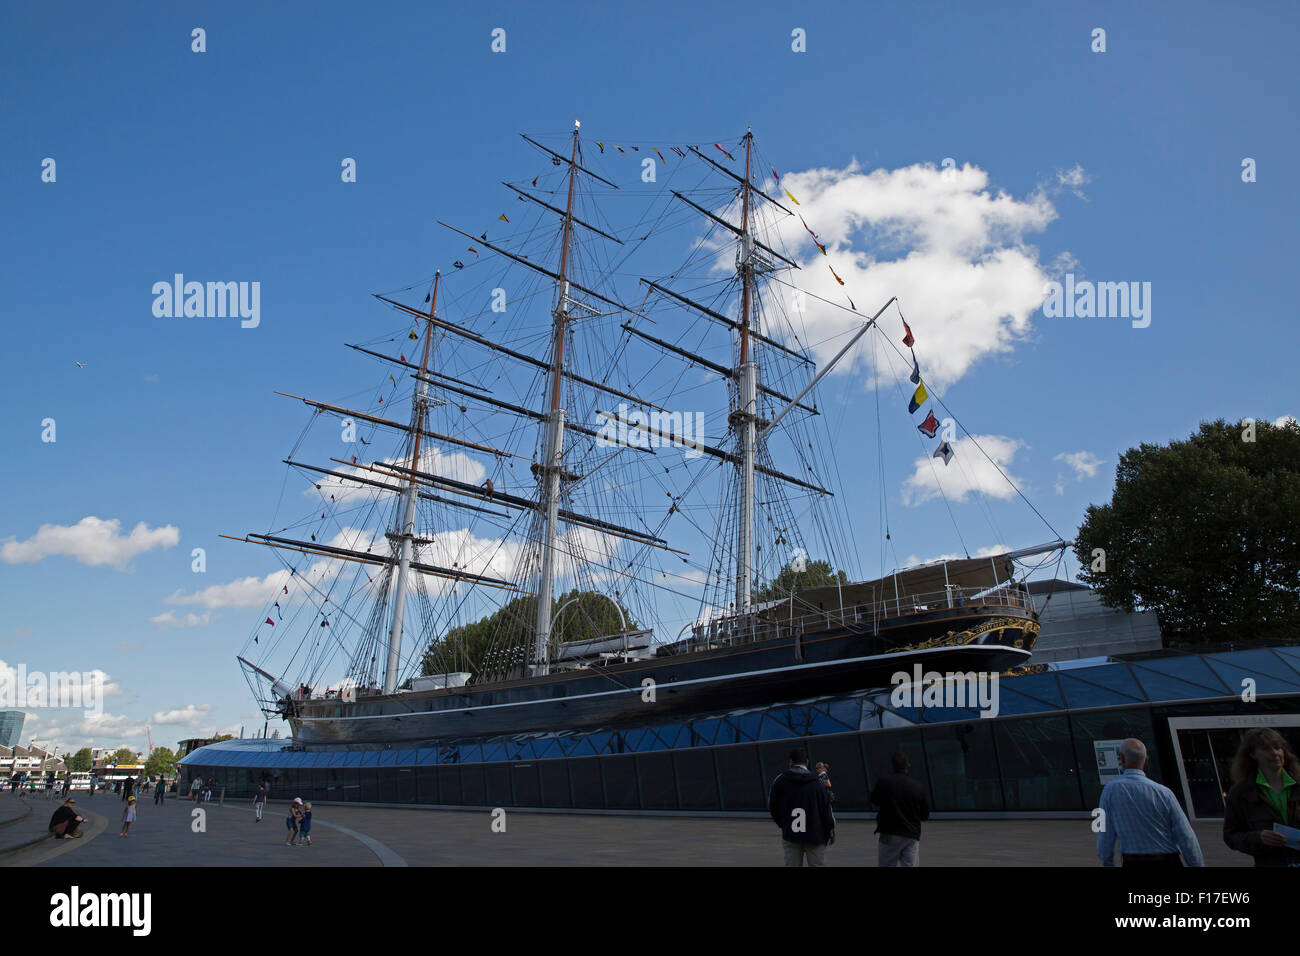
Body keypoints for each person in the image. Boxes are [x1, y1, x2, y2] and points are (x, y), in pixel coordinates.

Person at [1097, 738, 1203, 867]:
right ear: (1146, 759)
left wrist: (1107, 863)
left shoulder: (1109, 791)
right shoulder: (1164, 793)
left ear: (1122, 759)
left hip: (1133, 861)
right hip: (1168, 860)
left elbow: (1104, 834)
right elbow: (1186, 836)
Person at [1223, 727, 1300, 867]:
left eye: (1277, 747)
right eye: (1265, 749)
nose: (1274, 753)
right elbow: (1231, 836)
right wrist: (1258, 838)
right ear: (1252, 754)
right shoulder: (1241, 793)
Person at [768, 747, 835, 866]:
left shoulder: (780, 780)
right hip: (816, 834)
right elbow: (826, 809)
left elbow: (772, 806)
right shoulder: (818, 782)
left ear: (791, 762)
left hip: (791, 833)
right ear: (807, 762)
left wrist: (783, 824)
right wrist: (830, 830)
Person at [870, 751, 931, 866]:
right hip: (911, 833)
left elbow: (874, 800)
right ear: (908, 766)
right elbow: (924, 815)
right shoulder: (918, 787)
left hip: (888, 832)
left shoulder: (883, 783)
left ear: (893, 766)